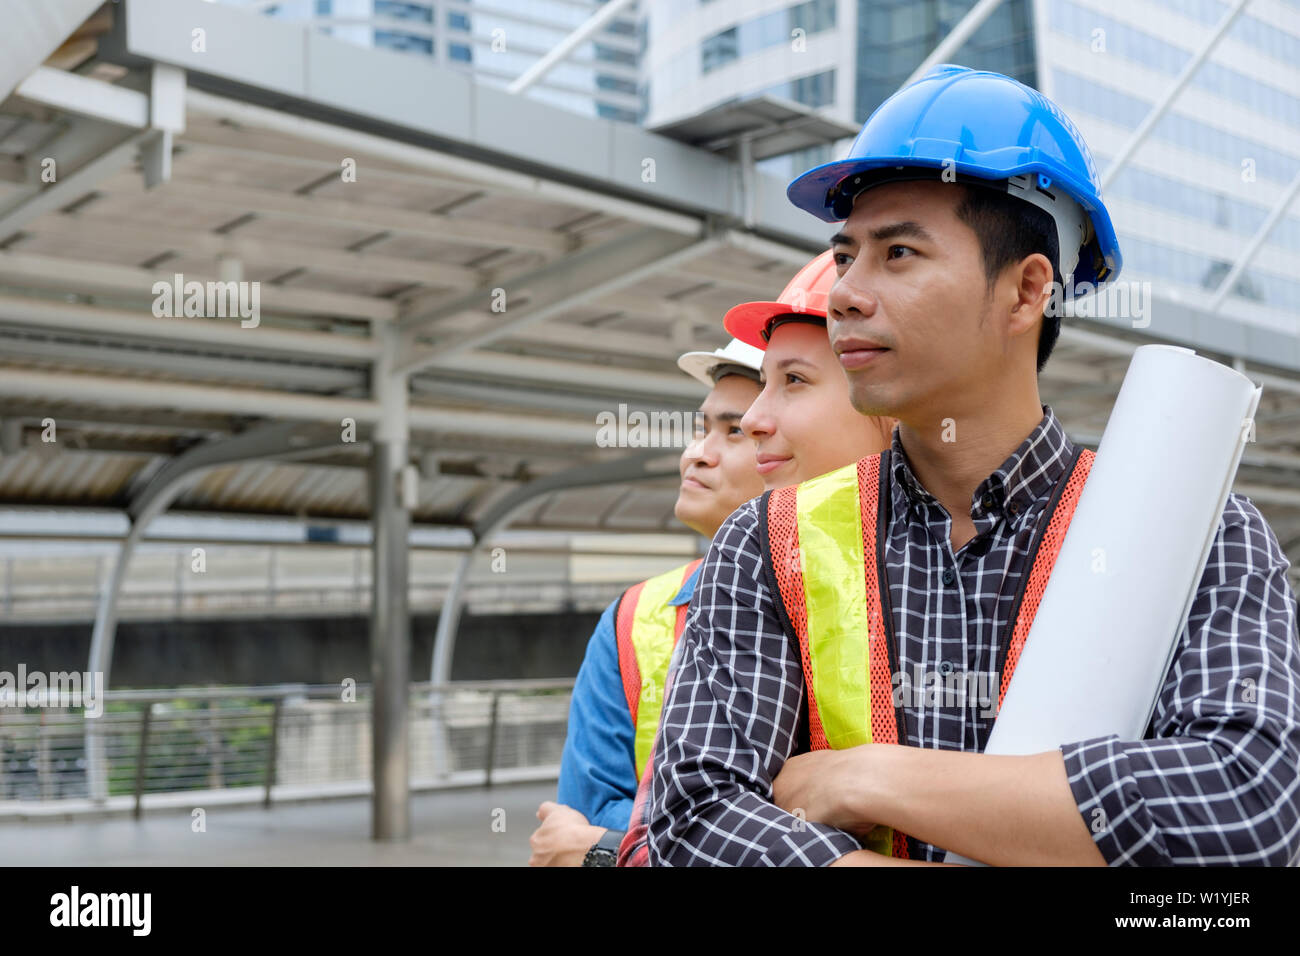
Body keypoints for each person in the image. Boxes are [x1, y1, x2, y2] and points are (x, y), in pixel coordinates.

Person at [646, 64, 1300, 866]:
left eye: (898, 253)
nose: (845, 292)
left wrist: (875, 778)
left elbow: (1249, 805)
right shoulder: (766, 544)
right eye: (846, 255)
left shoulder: (1203, 534)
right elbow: (693, 817)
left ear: (1027, 292)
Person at [616, 251, 897, 866]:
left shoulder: (1082, 536)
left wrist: (867, 780)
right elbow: (682, 824)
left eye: (792, 381)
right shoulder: (727, 566)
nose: (755, 419)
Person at [527, 338, 765, 867]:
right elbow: (578, 818)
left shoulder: (874, 603)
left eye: (736, 431)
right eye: (704, 430)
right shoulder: (634, 618)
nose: (696, 453)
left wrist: (614, 844)